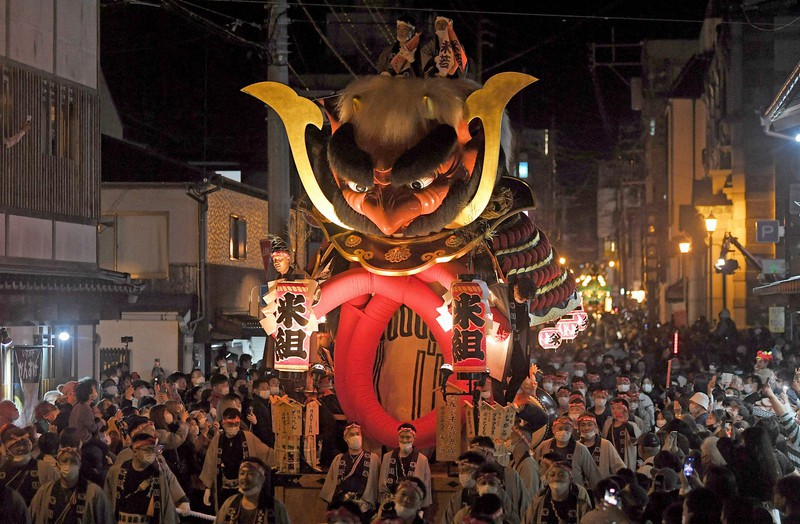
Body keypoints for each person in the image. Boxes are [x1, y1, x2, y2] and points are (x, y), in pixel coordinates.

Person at [201, 408, 276, 513]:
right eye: (230, 424)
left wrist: (282, 456)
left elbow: (266, 453)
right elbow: (209, 464)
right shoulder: (216, 441)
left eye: (236, 424)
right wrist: (207, 488)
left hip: (245, 487)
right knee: (226, 515)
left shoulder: (248, 437)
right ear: (223, 423)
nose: (233, 427)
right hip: (224, 488)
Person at [105, 433, 191, 523]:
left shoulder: (158, 472)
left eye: (154, 451)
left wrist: (183, 500)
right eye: (148, 450)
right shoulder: (116, 471)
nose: (152, 454)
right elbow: (107, 499)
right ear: (135, 452)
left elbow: (171, 480)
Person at [29, 445, 113, 524]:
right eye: (64, 461)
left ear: (79, 465)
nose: (68, 465)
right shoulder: (44, 491)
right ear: (58, 464)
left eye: (73, 461)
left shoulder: (94, 493)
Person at [320, 422, 381, 514]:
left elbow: (377, 484)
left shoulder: (373, 459)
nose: (355, 437)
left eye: (357, 434)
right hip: (342, 504)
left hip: (364, 506)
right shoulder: (338, 459)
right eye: (351, 435)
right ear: (345, 438)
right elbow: (330, 484)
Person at [533, 416, 601, 490]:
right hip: (548, 491)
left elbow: (593, 475)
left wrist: (597, 493)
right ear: (553, 429)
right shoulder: (544, 446)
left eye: (567, 429)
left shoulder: (581, 449)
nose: (563, 432)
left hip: (573, 492)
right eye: (560, 429)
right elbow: (533, 470)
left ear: (572, 430)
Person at [216, 458, 291, 524]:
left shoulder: (276, 507)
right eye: (242, 473)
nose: (244, 477)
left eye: (251, 473)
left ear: (262, 479)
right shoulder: (229, 503)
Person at [0, 425, 59, 504]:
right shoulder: (2, 468)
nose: (22, 448)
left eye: (24, 444)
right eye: (17, 445)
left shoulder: (46, 468)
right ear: (7, 449)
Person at [378, 423, 431, 509]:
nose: (405, 440)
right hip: (391, 502)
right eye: (402, 437)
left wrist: (422, 507)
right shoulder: (387, 457)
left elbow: (426, 485)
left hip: (412, 503)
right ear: (398, 438)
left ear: (414, 438)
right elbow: (382, 484)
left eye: (408, 437)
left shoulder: (422, 459)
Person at [523, 460, 593, 524]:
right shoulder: (537, 503)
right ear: (547, 478)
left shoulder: (582, 507)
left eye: (561, 475)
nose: (556, 478)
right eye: (552, 475)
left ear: (570, 479)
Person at [576, 411, 626, 479]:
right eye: (583, 425)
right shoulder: (576, 446)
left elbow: (618, 466)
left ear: (595, 426)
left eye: (590, 424)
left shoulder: (606, 444)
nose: (586, 428)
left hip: (603, 483)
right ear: (579, 428)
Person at [602, 397, 641, 470]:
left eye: (619, 408)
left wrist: (625, 423)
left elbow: (635, 440)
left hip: (626, 461)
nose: (615, 410)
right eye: (613, 408)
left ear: (626, 410)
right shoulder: (608, 424)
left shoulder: (631, 425)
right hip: (611, 461)